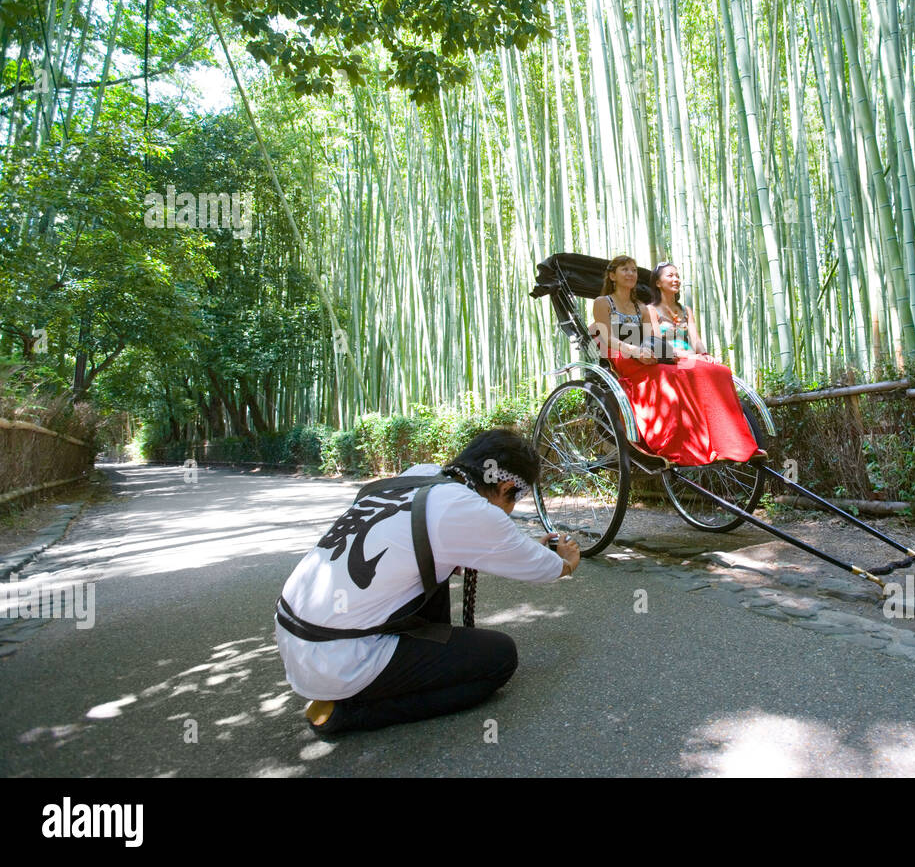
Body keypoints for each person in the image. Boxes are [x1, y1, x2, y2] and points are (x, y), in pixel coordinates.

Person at [274, 428, 581, 738]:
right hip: (338, 659)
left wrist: (529, 548)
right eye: (518, 497)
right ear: (505, 486)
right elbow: (542, 569)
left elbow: (468, 543)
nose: (514, 507)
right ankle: (350, 712)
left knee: (437, 571)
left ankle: (402, 669)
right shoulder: (470, 509)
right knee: (499, 658)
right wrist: (566, 563)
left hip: (297, 636)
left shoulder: (421, 476)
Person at [591, 255, 760, 466]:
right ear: (612, 275)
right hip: (621, 354)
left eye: (634, 270)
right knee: (670, 375)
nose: (631, 274)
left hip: (647, 354)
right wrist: (634, 351)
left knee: (716, 371)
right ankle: (677, 445)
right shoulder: (603, 302)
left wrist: (677, 354)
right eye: (625, 269)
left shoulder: (641, 307)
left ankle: (724, 443)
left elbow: (652, 339)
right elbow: (606, 337)